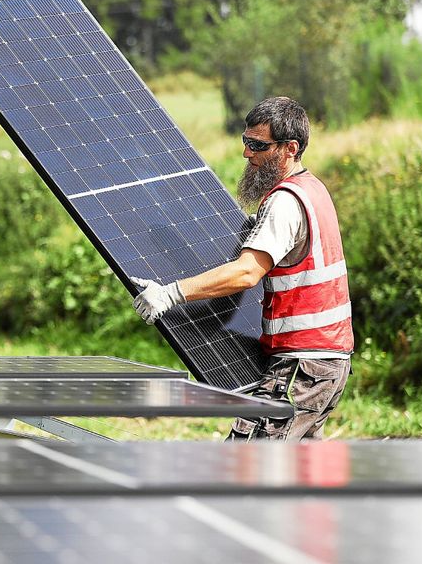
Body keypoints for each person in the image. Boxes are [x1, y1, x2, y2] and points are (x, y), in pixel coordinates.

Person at [130, 96, 353, 441]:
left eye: (258, 145)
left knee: (244, 466)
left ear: (289, 148)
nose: (247, 153)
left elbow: (246, 273)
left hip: (301, 366)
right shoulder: (312, 189)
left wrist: (171, 293)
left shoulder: (285, 202)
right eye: (245, 142)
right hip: (325, 362)